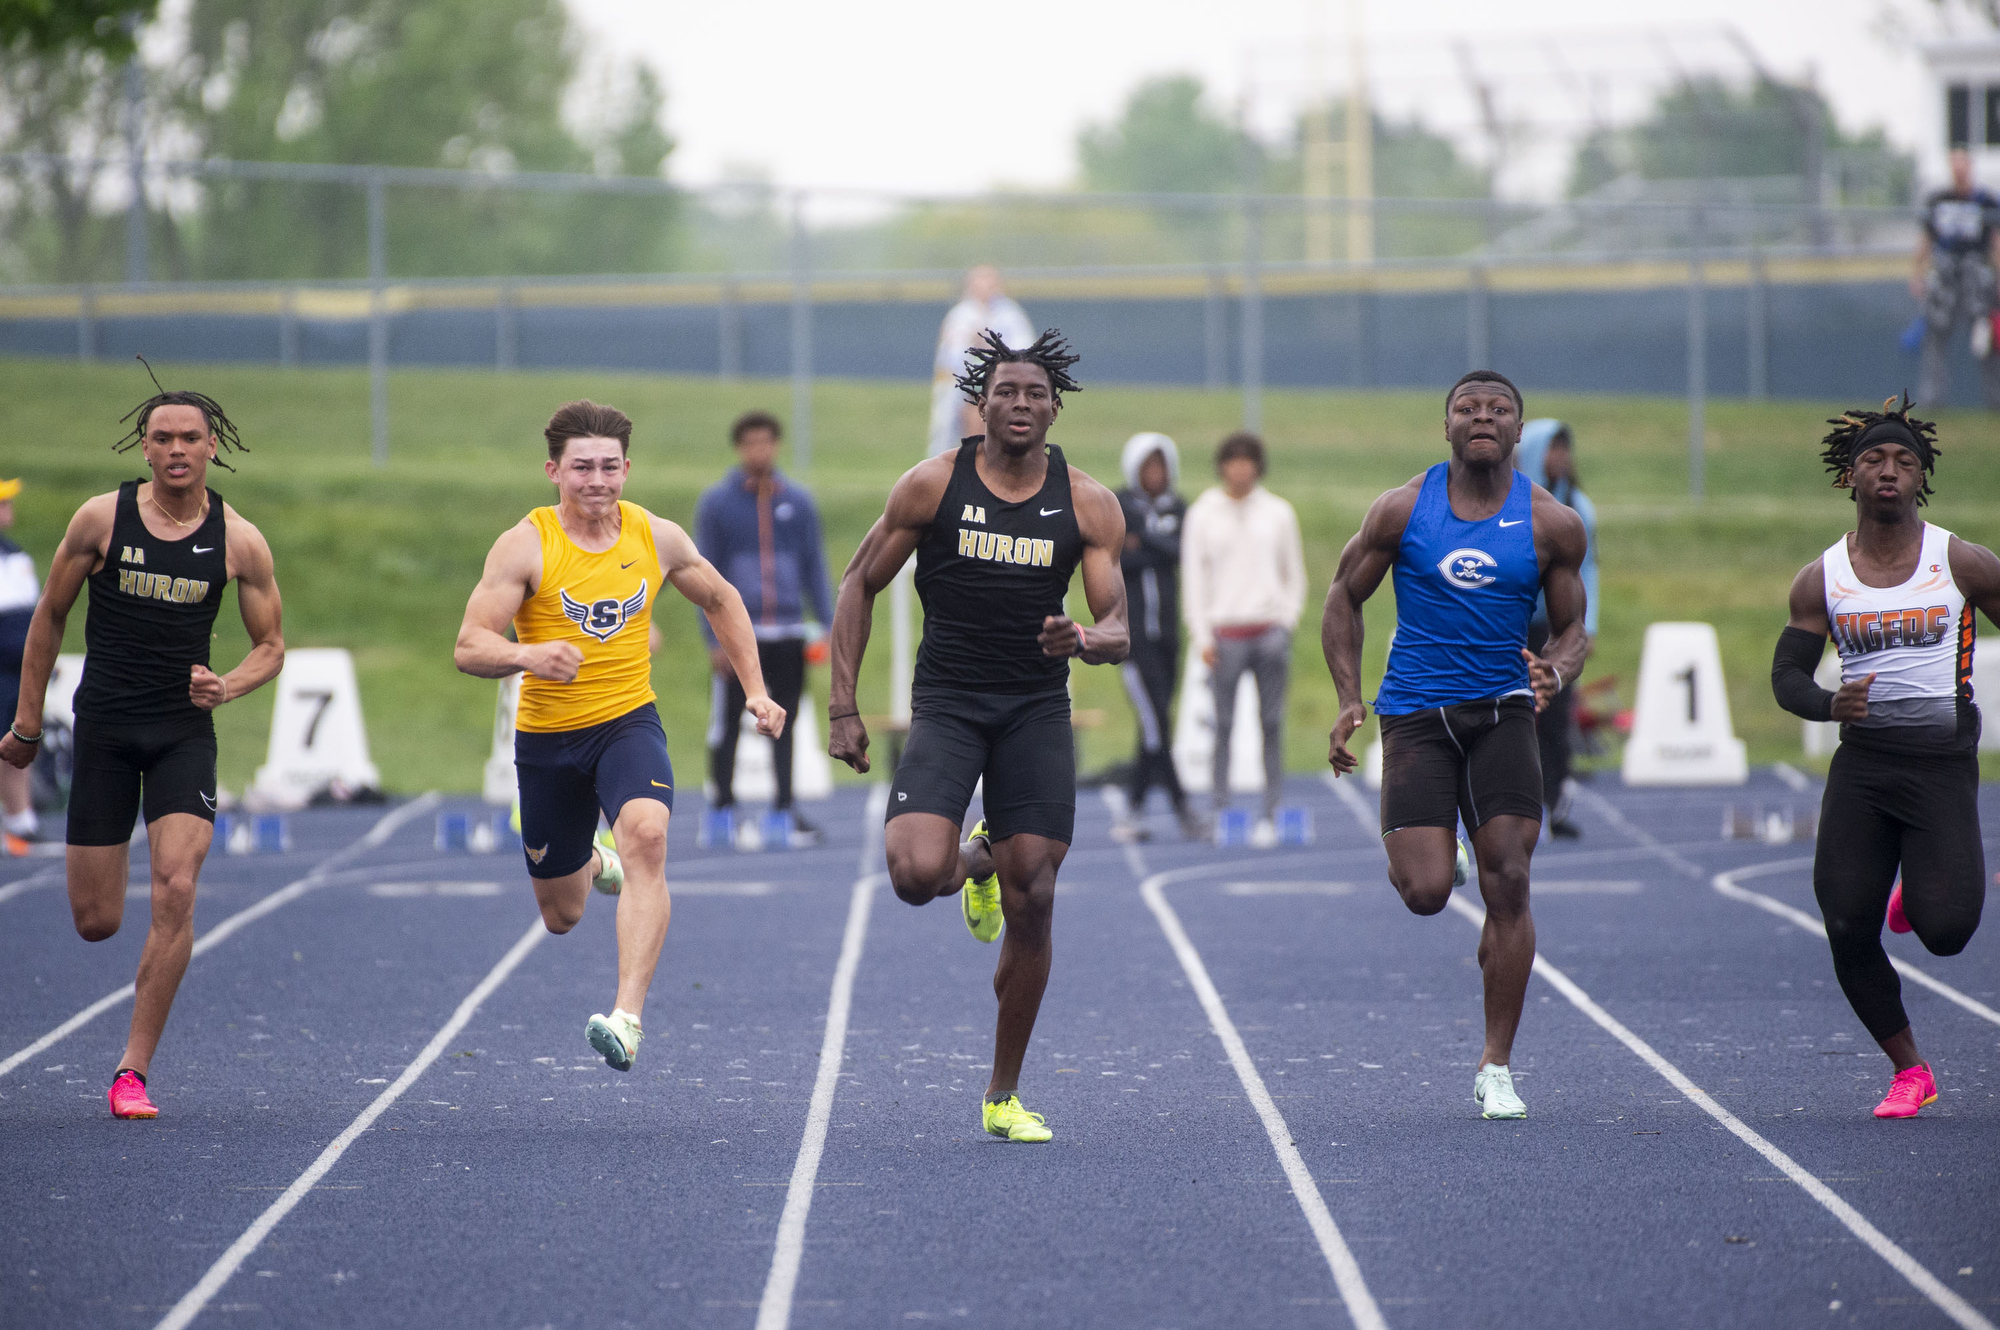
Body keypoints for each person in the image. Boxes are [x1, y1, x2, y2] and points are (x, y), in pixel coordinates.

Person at [828, 329, 1128, 1143]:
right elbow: (859, 581)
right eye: (1006, 393)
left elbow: (1120, 627)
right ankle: (974, 858)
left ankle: (1003, 1094)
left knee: (1036, 891)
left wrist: (1086, 641)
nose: (1021, 405)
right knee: (916, 876)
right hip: (951, 705)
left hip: (1035, 710)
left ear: (1054, 406)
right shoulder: (932, 486)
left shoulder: (1090, 502)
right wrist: (843, 707)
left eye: (1035, 394)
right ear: (982, 404)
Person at [455, 400, 785, 1074]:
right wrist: (527, 656)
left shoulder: (655, 536)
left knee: (649, 836)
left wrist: (755, 689)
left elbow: (721, 599)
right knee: (562, 914)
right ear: (554, 470)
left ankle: (627, 1018)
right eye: (582, 467)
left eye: (609, 466)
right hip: (548, 738)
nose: (597, 480)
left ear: (627, 470)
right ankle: (593, 865)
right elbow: (468, 646)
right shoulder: (525, 544)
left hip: (627, 722)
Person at [0, 379, 285, 1120]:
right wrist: (27, 726)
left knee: (177, 888)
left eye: (191, 438)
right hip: (105, 732)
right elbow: (49, 619)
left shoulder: (239, 540)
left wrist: (227, 686)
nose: (177, 450)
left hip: (182, 735)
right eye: (163, 438)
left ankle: (132, 1071)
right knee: (96, 920)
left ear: (212, 446)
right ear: (145, 447)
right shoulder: (101, 520)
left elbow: (272, 647)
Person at [1323, 370, 1587, 1121]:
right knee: (1427, 892)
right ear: (1445, 428)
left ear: (1517, 430)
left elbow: (1574, 629)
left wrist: (1556, 672)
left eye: (1497, 410)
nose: (1482, 417)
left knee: (1510, 878)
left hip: (1503, 710)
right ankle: (1446, 846)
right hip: (1415, 714)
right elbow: (1344, 595)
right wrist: (1350, 697)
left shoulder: (1551, 523)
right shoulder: (1404, 509)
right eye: (1467, 409)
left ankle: (1496, 1064)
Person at [1771, 397, 1997, 1119]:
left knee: (1948, 931)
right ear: (1850, 477)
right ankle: (1910, 1069)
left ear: (1922, 476)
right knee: (1843, 924)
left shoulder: (1958, 560)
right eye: (1874, 459)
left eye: (1904, 460)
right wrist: (1826, 704)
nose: (1890, 470)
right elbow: (1788, 678)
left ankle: (1918, 888)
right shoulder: (1823, 577)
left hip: (1938, 765)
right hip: (1864, 770)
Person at [695, 410, 834, 846]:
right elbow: (703, 574)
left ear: (777, 445)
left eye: (767, 441)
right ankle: (722, 808)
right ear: (740, 448)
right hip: (739, 634)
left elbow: (814, 565)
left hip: (789, 631)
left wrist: (826, 624)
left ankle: (783, 807)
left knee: (785, 722)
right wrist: (711, 637)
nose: (760, 450)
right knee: (728, 723)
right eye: (751, 442)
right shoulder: (717, 504)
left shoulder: (799, 501)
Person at [1182, 431, 1306, 847]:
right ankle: (1221, 808)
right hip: (1225, 633)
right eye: (1232, 460)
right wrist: (1202, 634)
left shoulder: (1278, 513)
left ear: (1257, 465)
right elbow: (1194, 581)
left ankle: (1272, 809)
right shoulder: (1203, 513)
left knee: (1271, 722)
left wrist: (1286, 621)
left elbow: (1295, 573)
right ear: (1222, 466)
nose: (1240, 468)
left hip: (1269, 631)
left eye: (1247, 460)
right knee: (1224, 724)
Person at [1112, 432, 1201, 842]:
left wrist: (1144, 540)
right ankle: (1182, 808)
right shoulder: (1118, 505)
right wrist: (1155, 547)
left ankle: (1134, 808)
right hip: (1132, 637)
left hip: (1168, 633)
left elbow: (1182, 551)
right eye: (1148, 466)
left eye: (1161, 466)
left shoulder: (1178, 508)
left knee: (1156, 723)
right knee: (1157, 724)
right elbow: (1120, 558)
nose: (1155, 474)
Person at [1513, 420, 1598, 840]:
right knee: (1514, 719)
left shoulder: (1578, 508)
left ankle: (1557, 806)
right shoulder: (1506, 507)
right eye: (1552, 449)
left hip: (1557, 628)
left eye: (1565, 450)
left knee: (1556, 718)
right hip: (1511, 627)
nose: (1559, 458)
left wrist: (1588, 625)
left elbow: (1590, 571)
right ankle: (1519, 808)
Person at [1912, 147, 2000, 409]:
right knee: (1936, 335)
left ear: (1969, 167)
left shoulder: (1985, 200)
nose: (1959, 169)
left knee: (1986, 337)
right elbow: (1925, 240)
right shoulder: (1938, 200)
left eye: (1963, 164)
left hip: (1977, 275)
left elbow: (1995, 243)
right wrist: (1917, 274)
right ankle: (1933, 400)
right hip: (1946, 274)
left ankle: (1995, 401)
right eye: (1955, 164)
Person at [927, 265, 1033, 457]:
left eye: (989, 282)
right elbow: (951, 351)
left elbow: (1025, 347)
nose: (984, 287)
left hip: (1002, 380)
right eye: (979, 282)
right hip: (964, 380)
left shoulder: (1010, 314)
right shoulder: (961, 314)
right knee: (948, 428)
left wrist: (995, 348)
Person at [0, 477, 40, 851]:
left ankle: (19, 816)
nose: (7, 511)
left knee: (20, 737)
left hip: (20, 668)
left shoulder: (15, 555)